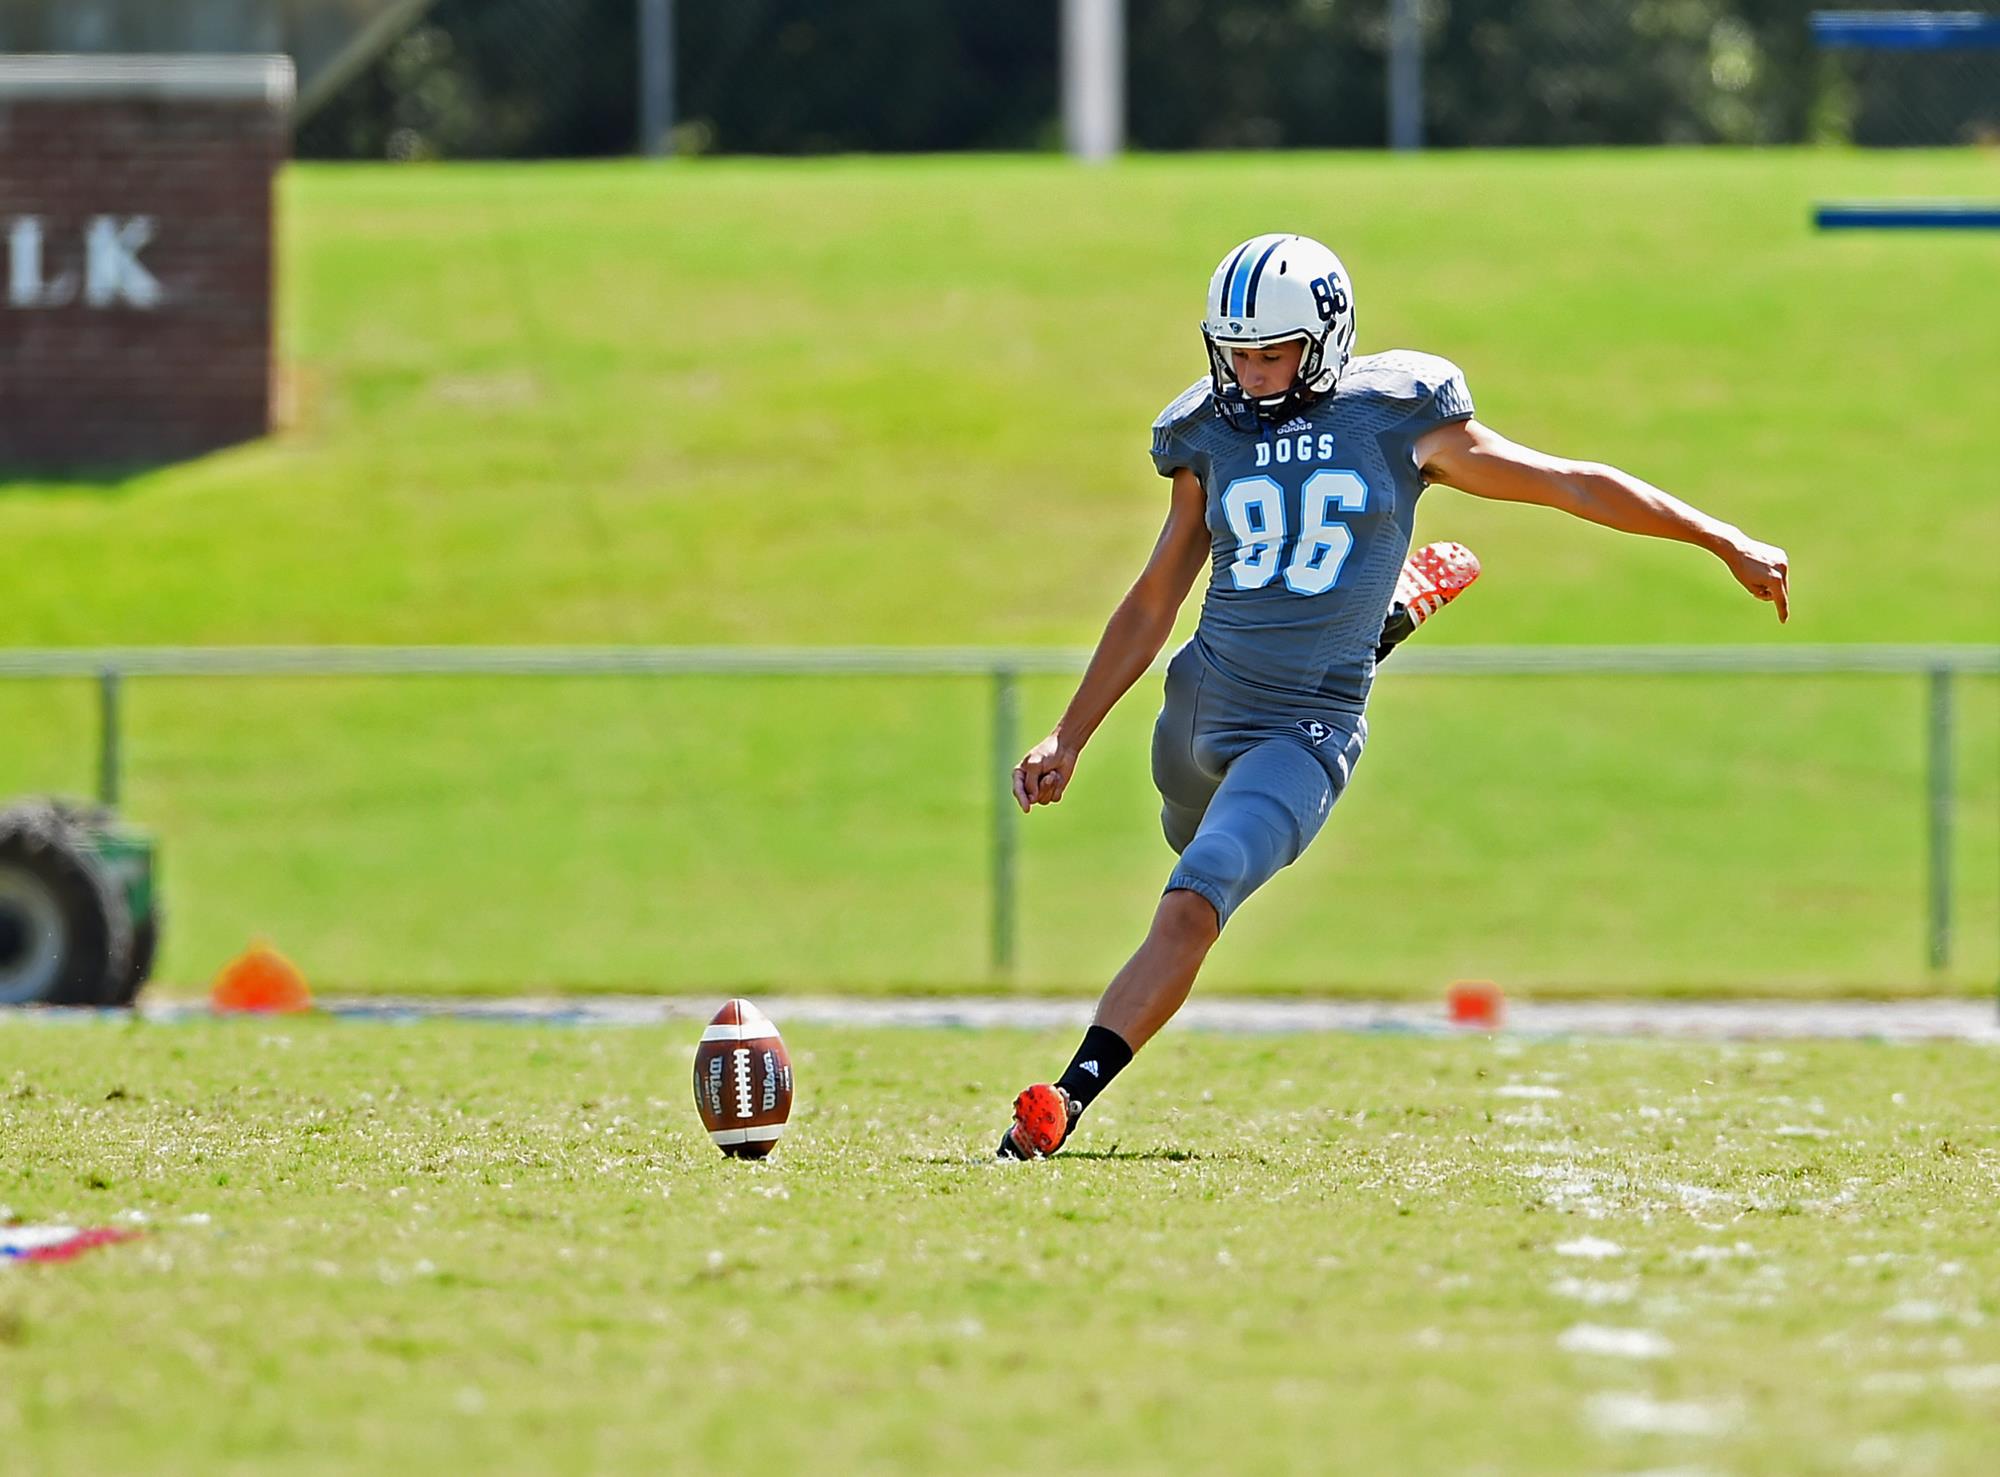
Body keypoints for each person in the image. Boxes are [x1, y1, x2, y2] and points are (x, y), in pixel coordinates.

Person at [996, 232, 1790, 1160]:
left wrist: (1720, 536)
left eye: (1273, 352)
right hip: (1203, 698)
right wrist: (1070, 734)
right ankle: (1378, 622)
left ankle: (1064, 1100)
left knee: (1194, 898)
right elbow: (1151, 599)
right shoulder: (1205, 433)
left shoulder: (1398, 415)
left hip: (1306, 729)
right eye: (1237, 352)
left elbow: (1571, 483)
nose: (1251, 373)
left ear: (1326, 338)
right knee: (1185, 824)